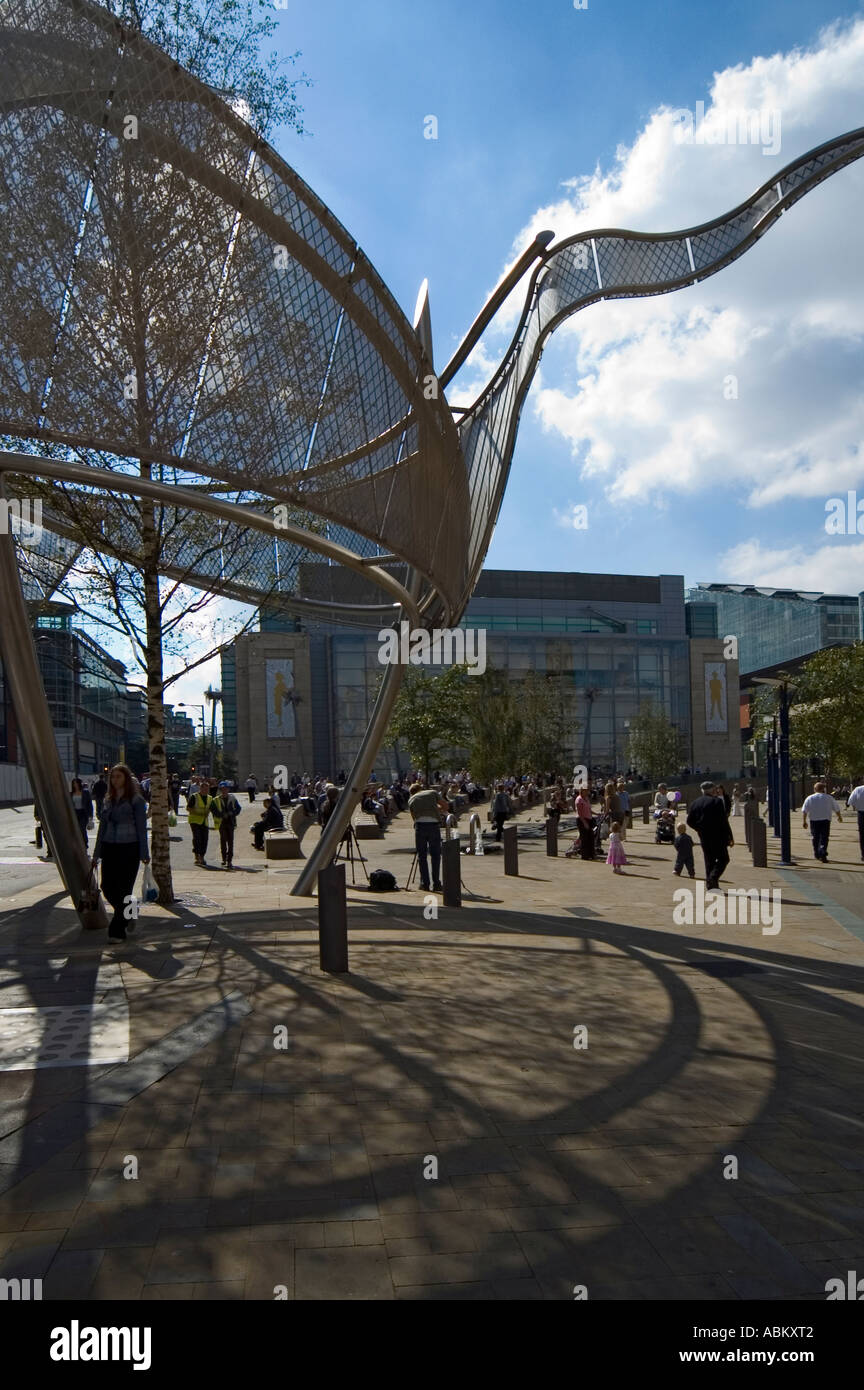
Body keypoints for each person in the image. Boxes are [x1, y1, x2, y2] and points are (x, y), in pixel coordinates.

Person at [92, 763, 149, 943]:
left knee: (124, 889)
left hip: (129, 847)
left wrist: (144, 852)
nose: (115, 780)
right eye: (113, 777)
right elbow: (102, 828)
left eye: (119, 776)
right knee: (107, 887)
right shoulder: (108, 800)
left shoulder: (137, 801)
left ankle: (117, 931)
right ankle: (129, 910)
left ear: (126, 779)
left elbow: (142, 828)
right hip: (110, 846)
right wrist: (95, 854)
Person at [686, 781, 734, 890]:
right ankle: (713, 877)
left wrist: (699, 829)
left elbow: (689, 821)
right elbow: (723, 821)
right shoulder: (717, 802)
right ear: (712, 790)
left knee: (709, 861)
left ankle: (711, 886)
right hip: (718, 836)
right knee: (724, 859)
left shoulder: (695, 803)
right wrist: (730, 837)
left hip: (704, 837)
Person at [407, 781, 449, 892]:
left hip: (420, 826)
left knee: (422, 856)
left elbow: (414, 817)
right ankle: (436, 883)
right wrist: (437, 810)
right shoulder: (432, 792)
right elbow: (445, 806)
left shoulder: (411, 800)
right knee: (435, 855)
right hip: (433, 825)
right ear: (421, 789)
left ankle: (424, 883)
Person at [801, 781, 843, 863]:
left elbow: (805, 811)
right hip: (826, 820)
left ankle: (817, 852)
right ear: (823, 789)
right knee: (824, 837)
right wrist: (839, 817)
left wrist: (804, 821)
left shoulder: (810, 798)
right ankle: (823, 850)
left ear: (815, 789)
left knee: (815, 837)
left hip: (814, 821)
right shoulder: (829, 798)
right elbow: (836, 808)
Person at [211, 782, 242, 869]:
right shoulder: (216, 800)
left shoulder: (232, 798)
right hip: (221, 823)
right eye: (222, 789)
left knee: (230, 842)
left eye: (226, 789)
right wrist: (221, 814)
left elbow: (238, 809)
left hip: (230, 822)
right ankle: (224, 858)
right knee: (223, 841)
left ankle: (229, 860)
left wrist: (232, 813)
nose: (224, 790)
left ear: (228, 789)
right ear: (220, 790)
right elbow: (213, 810)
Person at [187, 780, 214, 866]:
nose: (206, 791)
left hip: (204, 821)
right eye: (204, 789)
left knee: (204, 839)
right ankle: (197, 856)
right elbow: (189, 808)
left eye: (207, 789)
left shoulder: (210, 798)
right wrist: (199, 813)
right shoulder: (194, 797)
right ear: (200, 788)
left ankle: (202, 856)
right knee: (197, 838)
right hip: (194, 821)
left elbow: (210, 808)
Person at [70, 777, 94, 848]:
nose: (75, 785)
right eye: (74, 783)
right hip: (75, 813)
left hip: (83, 813)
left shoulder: (85, 792)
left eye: (76, 783)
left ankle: (85, 844)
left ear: (79, 784)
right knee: (75, 830)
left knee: (82, 829)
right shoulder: (71, 794)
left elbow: (89, 804)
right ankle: (77, 845)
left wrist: (90, 815)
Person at [574, 785, 595, 860]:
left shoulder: (586, 798)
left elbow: (589, 809)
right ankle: (585, 855)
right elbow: (579, 813)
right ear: (581, 791)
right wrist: (584, 823)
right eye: (585, 790)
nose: (587, 792)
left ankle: (591, 854)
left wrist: (596, 813)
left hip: (589, 819)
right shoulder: (579, 800)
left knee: (591, 837)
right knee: (584, 838)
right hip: (582, 820)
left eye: (587, 790)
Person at [847, 778, 864, 863]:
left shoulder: (858, 789)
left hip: (861, 813)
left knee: (862, 834)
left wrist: (855, 807)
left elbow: (851, 801)